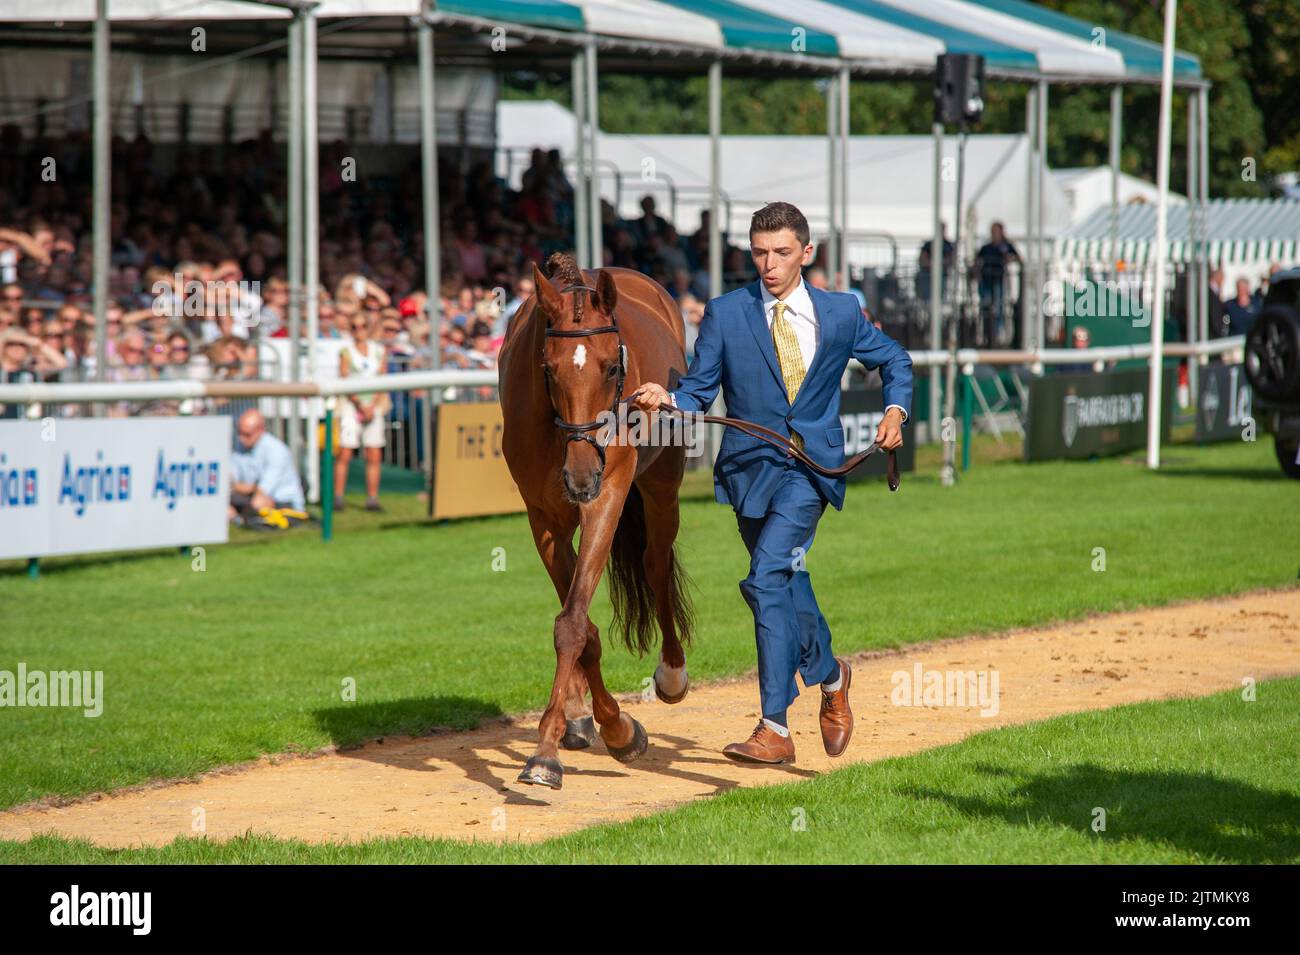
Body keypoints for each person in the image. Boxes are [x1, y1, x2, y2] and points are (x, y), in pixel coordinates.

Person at [630, 201, 912, 765]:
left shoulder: (840, 312)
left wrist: (895, 413)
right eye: (759, 253)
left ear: (806, 253)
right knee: (785, 581)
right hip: (746, 474)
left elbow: (896, 360)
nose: (769, 264)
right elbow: (700, 388)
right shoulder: (726, 313)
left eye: (781, 253)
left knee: (764, 578)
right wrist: (670, 399)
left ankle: (774, 726)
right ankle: (833, 679)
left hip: (811, 471)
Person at [334, 312, 389, 511]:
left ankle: (372, 498)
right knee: (345, 452)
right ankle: (338, 497)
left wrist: (372, 405)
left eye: (363, 325)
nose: (360, 331)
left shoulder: (379, 350)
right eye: (355, 327)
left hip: (375, 406)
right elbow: (344, 377)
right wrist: (360, 404)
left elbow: (382, 377)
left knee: (374, 453)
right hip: (351, 405)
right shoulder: (346, 351)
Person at [230, 408, 305, 522]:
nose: (241, 438)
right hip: (253, 496)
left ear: (260, 429)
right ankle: (241, 518)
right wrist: (246, 488)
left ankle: (242, 518)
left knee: (258, 502)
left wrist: (244, 487)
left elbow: (262, 490)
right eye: (239, 433)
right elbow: (230, 480)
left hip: (283, 502)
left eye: (247, 434)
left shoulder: (276, 450)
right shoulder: (239, 448)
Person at [973, 222, 1020, 345]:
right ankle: (986, 334)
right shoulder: (986, 248)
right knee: (985, 307)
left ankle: (997, 334)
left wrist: (1009, 258)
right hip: (986, 281)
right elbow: (977, 262)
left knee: (998, 307)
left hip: (999, 281)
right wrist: (976, 275)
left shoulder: (1007, 246)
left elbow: (1019, 259)